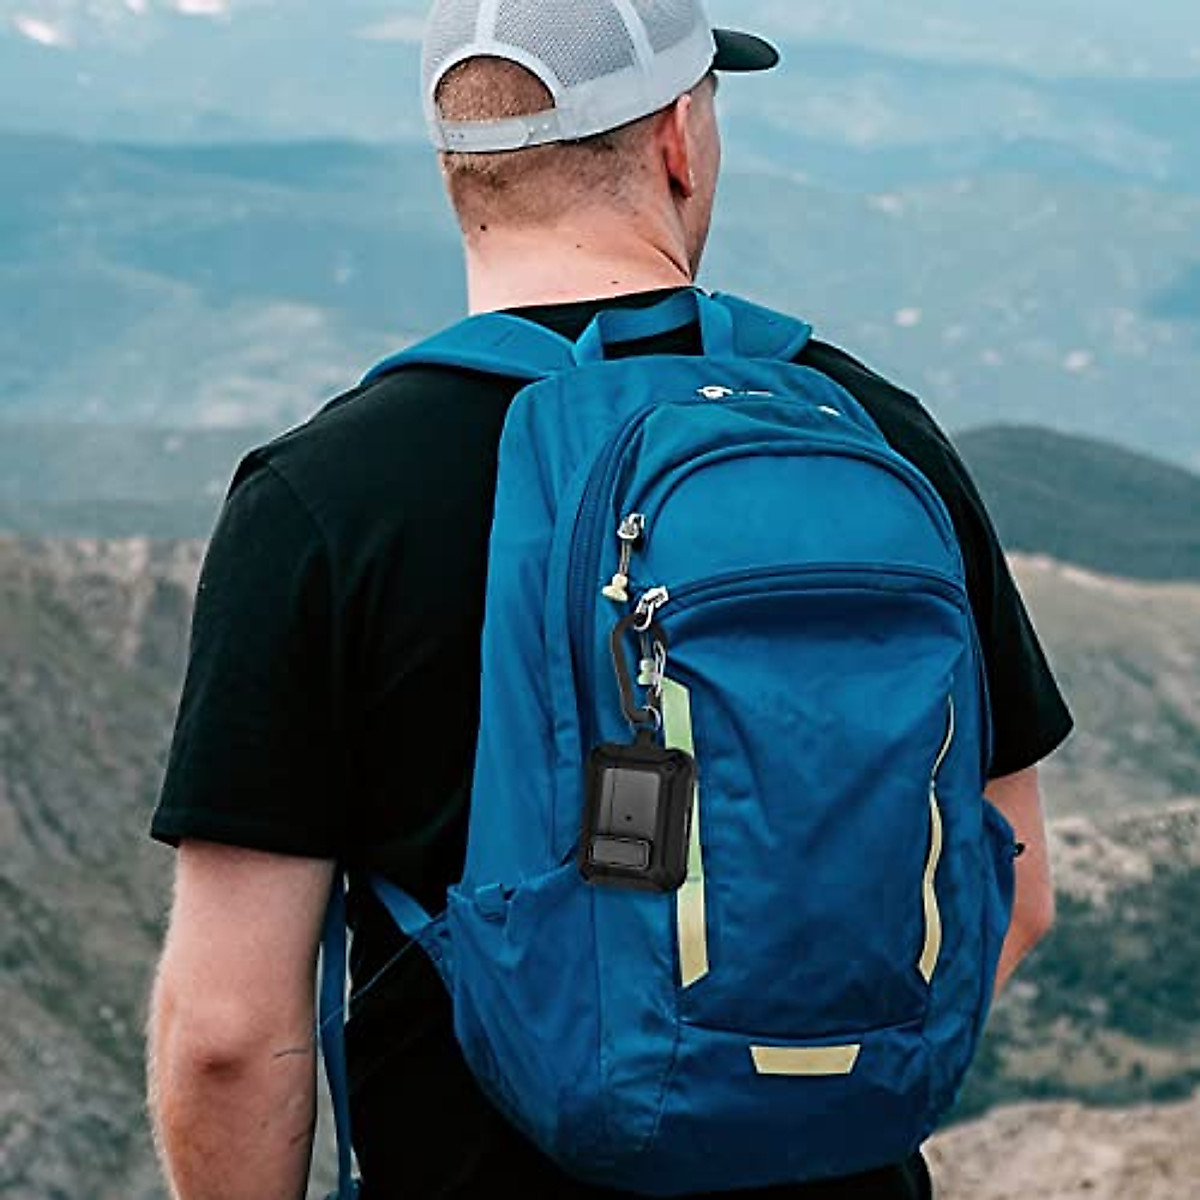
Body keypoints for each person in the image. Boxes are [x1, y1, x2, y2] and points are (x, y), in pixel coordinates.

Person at [146, 2, 1072, 1197]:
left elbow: (229, 1036)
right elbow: (1012, 887)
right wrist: (792, 1089)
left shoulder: (324, 496)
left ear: (459, 168)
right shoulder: (870, 431)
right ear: (679, 138)